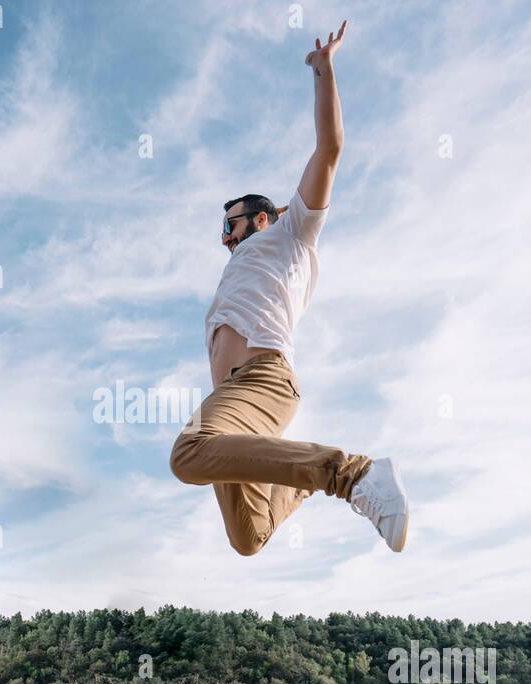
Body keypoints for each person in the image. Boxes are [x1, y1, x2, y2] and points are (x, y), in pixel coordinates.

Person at [169, 20, 409, 557]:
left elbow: (330, 149)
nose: (224, 237)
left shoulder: (291, 232)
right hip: (232, 399)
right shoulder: (236, 269)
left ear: (262, 217)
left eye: (231, 223)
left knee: (188, 453)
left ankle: (353, 475)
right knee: (249, 538)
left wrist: (324, 70)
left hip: (264, 379)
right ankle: (311, 478)